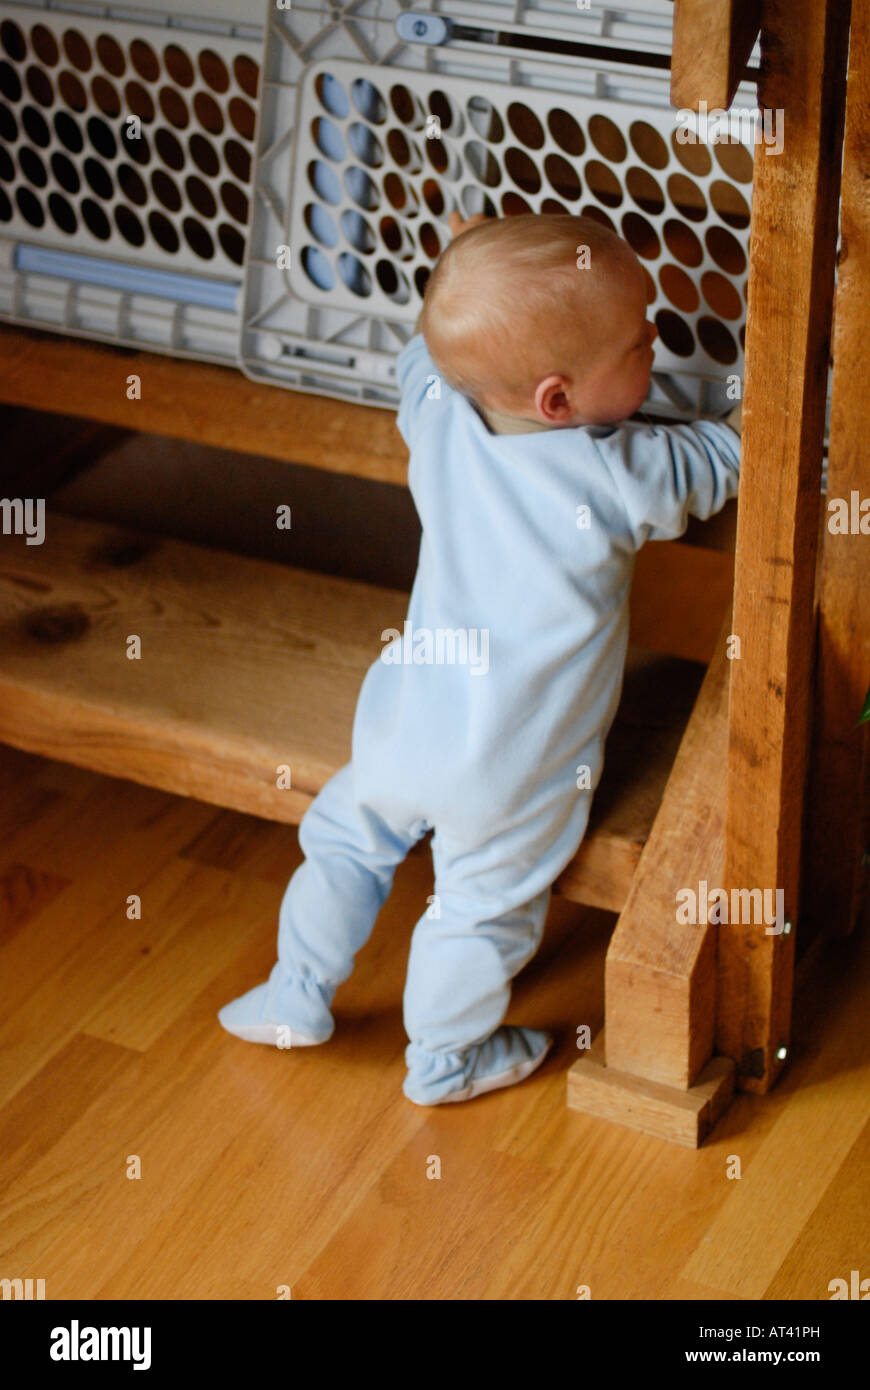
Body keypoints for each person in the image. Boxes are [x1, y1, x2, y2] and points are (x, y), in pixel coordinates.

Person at [219, 212, 743, 1105]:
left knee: (343, 843)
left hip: (401, 729)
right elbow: (732, 453)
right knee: (478, 909)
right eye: (638, 343)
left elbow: (419, 362)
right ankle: (444, 1059)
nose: (655, 341)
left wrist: (455, 276)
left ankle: (296, 991)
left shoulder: (443, 425)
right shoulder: (622, 474)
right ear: (557, 401)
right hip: (514, 765)